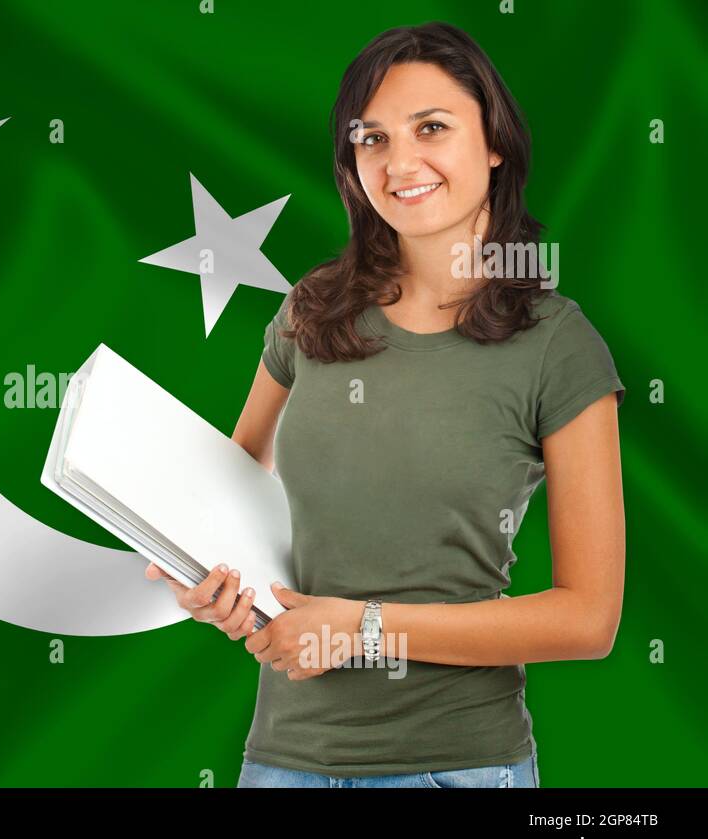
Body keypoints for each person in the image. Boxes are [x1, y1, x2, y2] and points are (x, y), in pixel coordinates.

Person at [145, 21, 625, 789]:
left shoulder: (557, 344)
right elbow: (232, 489)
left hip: (456, 769)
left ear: (494, 142)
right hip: (280, 763)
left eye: (431, 128)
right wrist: (206, 582)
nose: (399, 163)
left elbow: (588, 618)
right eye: (371, 139)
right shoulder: (310, 310)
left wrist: (363, 630)